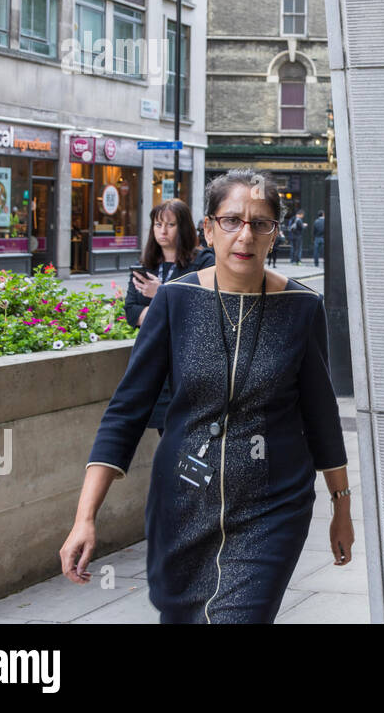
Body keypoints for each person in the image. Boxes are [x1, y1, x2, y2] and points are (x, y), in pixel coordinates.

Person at [60, 169, 354, 623]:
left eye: (261, 223)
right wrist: (85, 516)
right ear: (209, 229)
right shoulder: (174, 302)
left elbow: (321, 416)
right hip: (182, 504)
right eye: (232, 220)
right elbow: (126, 411)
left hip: (271, 507)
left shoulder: (301, 307)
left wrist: (341, 507)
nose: (245, 234)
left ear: (275, 233)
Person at [124, 199, 213, 433]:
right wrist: (169, 311)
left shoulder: (203, 262)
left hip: (191, 365)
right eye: (157, 224)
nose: (162, 231)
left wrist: (160, 294)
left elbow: (204, 310)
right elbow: (131, 312)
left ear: (182, 227)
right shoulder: (146, 265)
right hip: (156, 364)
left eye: (170, 224)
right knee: (165, 436)